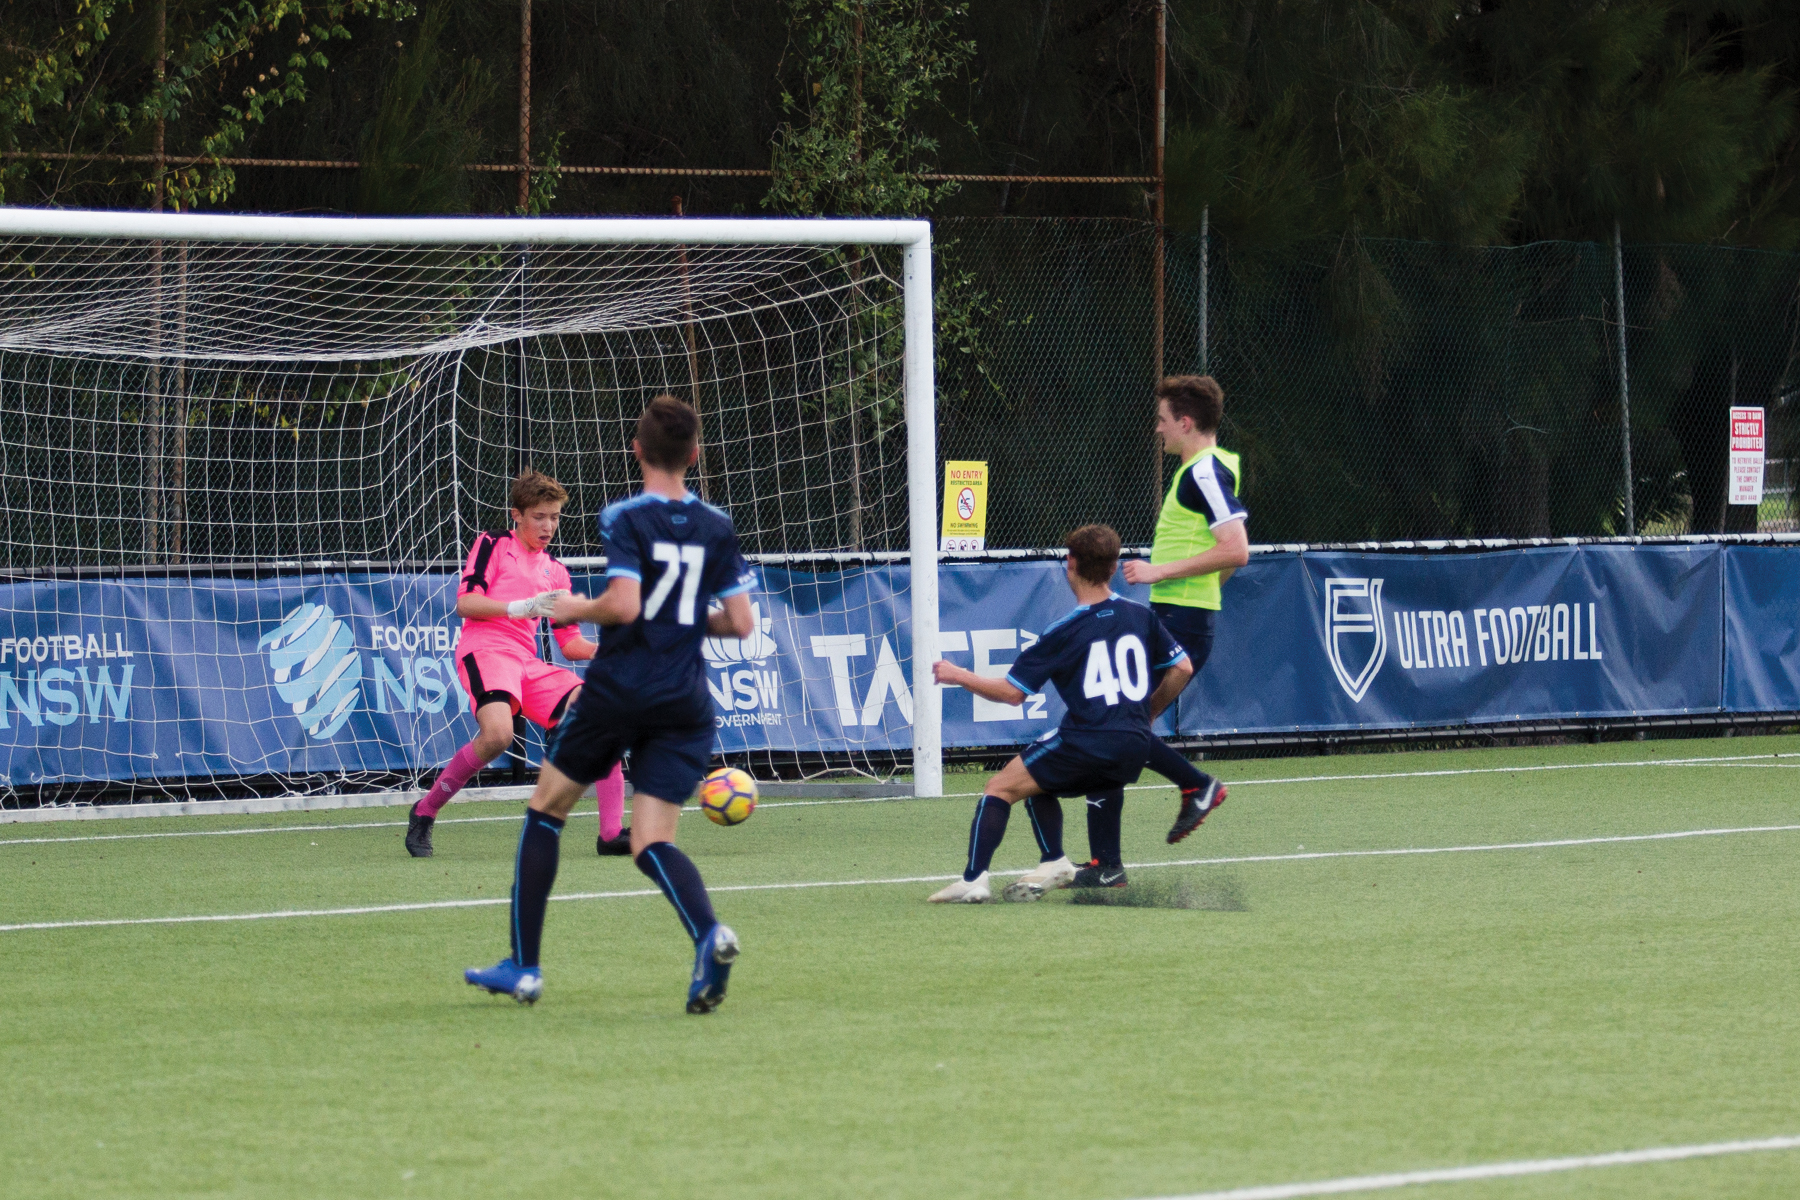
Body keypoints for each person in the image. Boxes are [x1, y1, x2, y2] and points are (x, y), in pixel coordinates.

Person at [463, 395, 757, 1012]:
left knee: (546, 810)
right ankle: (709, 934)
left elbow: (622, 605)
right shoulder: (718, 525)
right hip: (685, 697)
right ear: (695, 455)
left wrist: (577, 608)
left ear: (638, 450)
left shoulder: (626, 516)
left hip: (622, 688)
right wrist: (680, 621)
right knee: (651, 843)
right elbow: (739, 623)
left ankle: (524, 966)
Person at [928, 524, 1193, 903]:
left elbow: (1013, 694)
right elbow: (1182, 668)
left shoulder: (1064, 630)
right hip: (1135, 745)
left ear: (1070, 563)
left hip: (1089, 740)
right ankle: (1055, 861)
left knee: (999, 789)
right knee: (1037, 782)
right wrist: (1149, 711)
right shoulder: (1140, 615)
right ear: (1114, 567)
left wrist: (959, 675)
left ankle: (973, 880)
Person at [1069, 375, 1247, 881]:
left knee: (1111, 726)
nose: (1158, 428)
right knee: (1117, 730)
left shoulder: (1204, 471)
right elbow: (1225, 556)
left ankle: (1194, 788)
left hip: (1180, 623)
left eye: (1164, 420)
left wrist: (1158, 572)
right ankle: (1108, 863)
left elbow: (1236, 549)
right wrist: (1202, 591)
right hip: (1180, 620)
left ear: (1185, 422)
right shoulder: (1203, 469)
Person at [405, 470, 629, 858]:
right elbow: (465, 604)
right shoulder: (493, 544)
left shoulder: (556, 571)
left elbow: (569, 644)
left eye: (554, 517)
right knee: (498, 736)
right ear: (517, 515)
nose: (548, 526)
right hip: (486, 651)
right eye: (539, 516)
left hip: (528, 662)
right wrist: (520, 607)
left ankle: (610, 835)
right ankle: (425, 811)